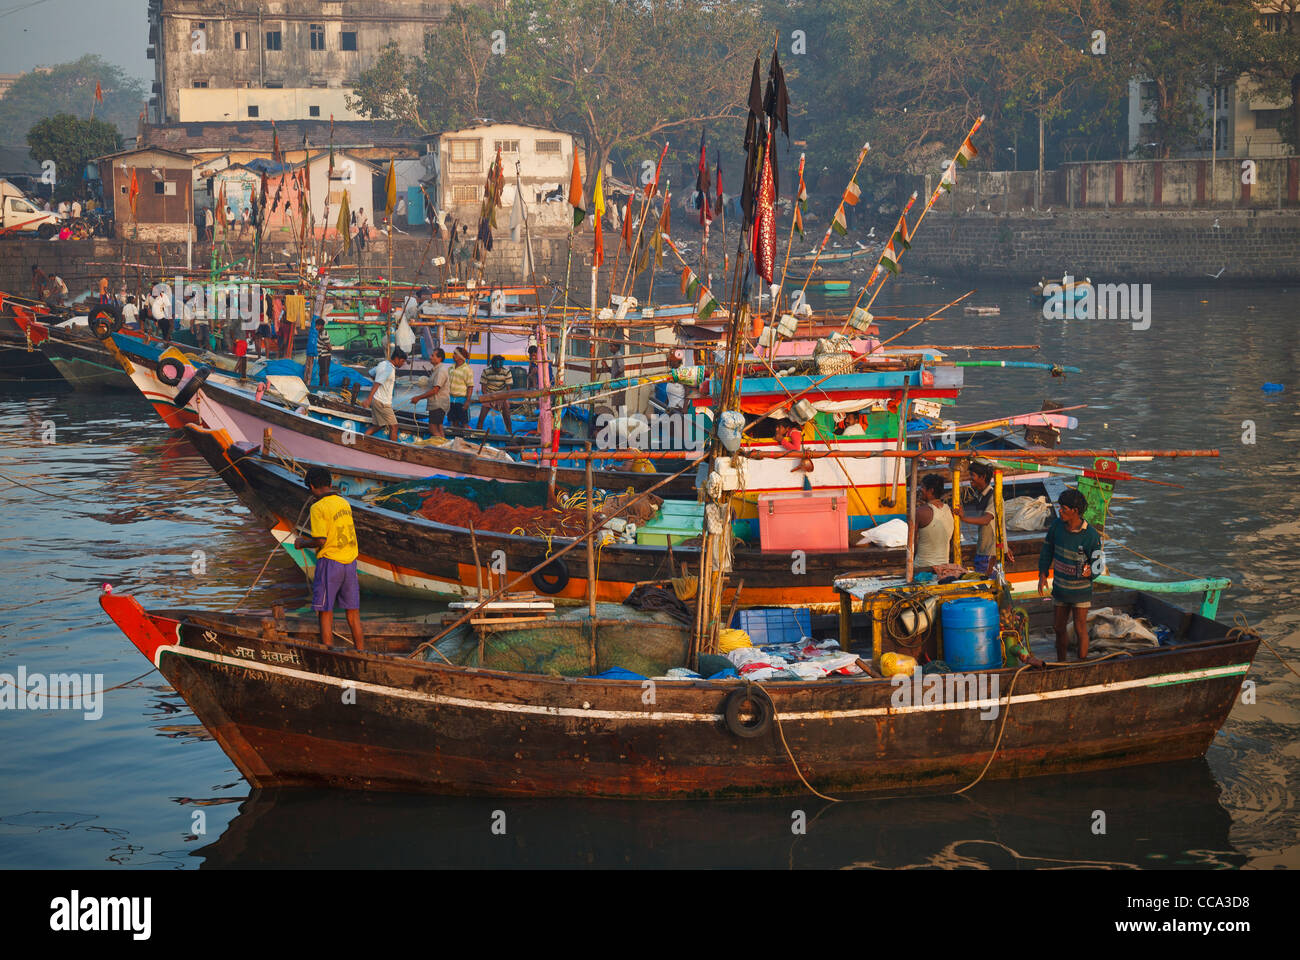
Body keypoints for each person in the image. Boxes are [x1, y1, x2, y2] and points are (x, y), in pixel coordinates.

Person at [293, 466, 366, 650]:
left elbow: (320, 540)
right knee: (353, 613)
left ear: (311, 486)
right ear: (331, 483)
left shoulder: (318, 507)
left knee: (324, 611)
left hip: (330, 563)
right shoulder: (344, 503)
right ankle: (361, 651)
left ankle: (328, 650)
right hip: (350, 562)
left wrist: (302, 543)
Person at [1039, 488, 1104, 662]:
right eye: (1060, 507)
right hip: (1060, 588)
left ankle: (1081, 663)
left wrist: (1091, 571)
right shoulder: (1057, 527)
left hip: (1080, 590)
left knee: (1080, 627)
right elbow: (1047, 550)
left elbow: (1098, 565)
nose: (1060, 511)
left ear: (1075, 511)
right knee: (1059, 627)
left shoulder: (1090, 535)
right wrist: (1042, 574)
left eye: (1064, 509)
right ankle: (1061, 662)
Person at [959, 460, 1010, 573]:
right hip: (984, 550)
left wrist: (964, 518)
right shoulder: (982, 495)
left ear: (983, 477)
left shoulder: (994, 496)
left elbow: (986, 519)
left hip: (990, 553)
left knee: (988, 585)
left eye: (973, 476)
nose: (970, 479)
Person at [913, 473, 954, 571]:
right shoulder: (950, 511)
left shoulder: (920, 512)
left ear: (931, 490)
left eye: (922, 487)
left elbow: (912, 543)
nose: (920, 489)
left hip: (923, 567)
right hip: (944, 568)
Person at [364, 347, 408, 439]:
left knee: (379, 425)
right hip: (382, 402)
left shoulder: (383, 364)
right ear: (397, 359)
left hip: (377, 400)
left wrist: (380, 382)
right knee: (394, 426)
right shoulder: (389, 369)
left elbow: (371, 373)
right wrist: (368, 399)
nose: (403, 363)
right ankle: (393, 450)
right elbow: (377, 384)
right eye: (402, 361)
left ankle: (363, 438)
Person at [410, 347, 450, 439]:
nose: (430, 357)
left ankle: (442, 446)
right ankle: (444, 446)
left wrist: (418, 398)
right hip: (438, 404)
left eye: (433, 355)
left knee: (432, 428)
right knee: (439, 427)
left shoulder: (441, 371)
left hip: (438, 404)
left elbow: (435, 390)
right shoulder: (436, 370)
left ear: (439, 358)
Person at [476, 354, 514, 434]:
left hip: (502, 396)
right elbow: (483, 389)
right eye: (496, 368)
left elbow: (508, 390)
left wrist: (501, 399)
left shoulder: (507, 372)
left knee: (507, 415)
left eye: (499, 367)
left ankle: (510, 434)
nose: (498, 369)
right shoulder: (486, 371)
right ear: (492, 365)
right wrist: (489, 399)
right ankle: (478, 433)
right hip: (489, 395)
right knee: (481, 417)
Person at [447, 346, 473, 428]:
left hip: (461, 400)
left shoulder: (467, 369)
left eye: (455, 354)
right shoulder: (451, 368)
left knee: (464, 421)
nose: (453, 355)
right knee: (453, 421)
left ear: (460, 356)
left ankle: (466, 437)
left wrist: (467, 401)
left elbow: (470, 386)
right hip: (451, 399)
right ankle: (454, 437)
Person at [314, 316, 333, 388]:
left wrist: (326, 348)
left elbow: (329, 347)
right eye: (316, 326)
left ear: (321, 326)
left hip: (325, 356)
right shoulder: (320, 333)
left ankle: (327, 387)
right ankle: (320, 385)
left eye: (318, 326)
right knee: (321, 373)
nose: (316, 327)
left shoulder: (324, 334)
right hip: (321, 355)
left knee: (325, 373)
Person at [304, 314, 319, 387]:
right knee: (309, 367)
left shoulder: (313, 332)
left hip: (310, 352)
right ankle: (308, 381)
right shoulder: (315, 332)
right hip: (311, 352)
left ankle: (307, 381)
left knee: (308, 367)